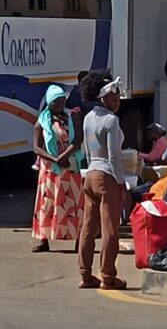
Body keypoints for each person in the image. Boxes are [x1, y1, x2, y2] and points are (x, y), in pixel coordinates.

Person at [78, 75, 131, 290]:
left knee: (89, 228)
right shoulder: (111, 121)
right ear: (103, 97)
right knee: (110, 229)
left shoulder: (88, 118)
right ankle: (108, 276)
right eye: (113, 96)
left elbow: (87, 151)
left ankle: (85, 275)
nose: (117, 100)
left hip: (90, 176)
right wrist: (121, 184)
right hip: (106, 177)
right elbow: (114, 156)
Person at [30, 85, 84, 252]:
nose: (60, 105)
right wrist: (55, 159)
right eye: (57, 102)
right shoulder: (42, 121)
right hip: (50, 169)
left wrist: (66, 156)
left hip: (70, 165)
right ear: (50, 103)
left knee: (73, 204)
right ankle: (44, 240)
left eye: (62, 101)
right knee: (47, 204)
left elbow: (78, 139)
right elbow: (37, 148)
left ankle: (78, 240)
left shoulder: (72, 116)